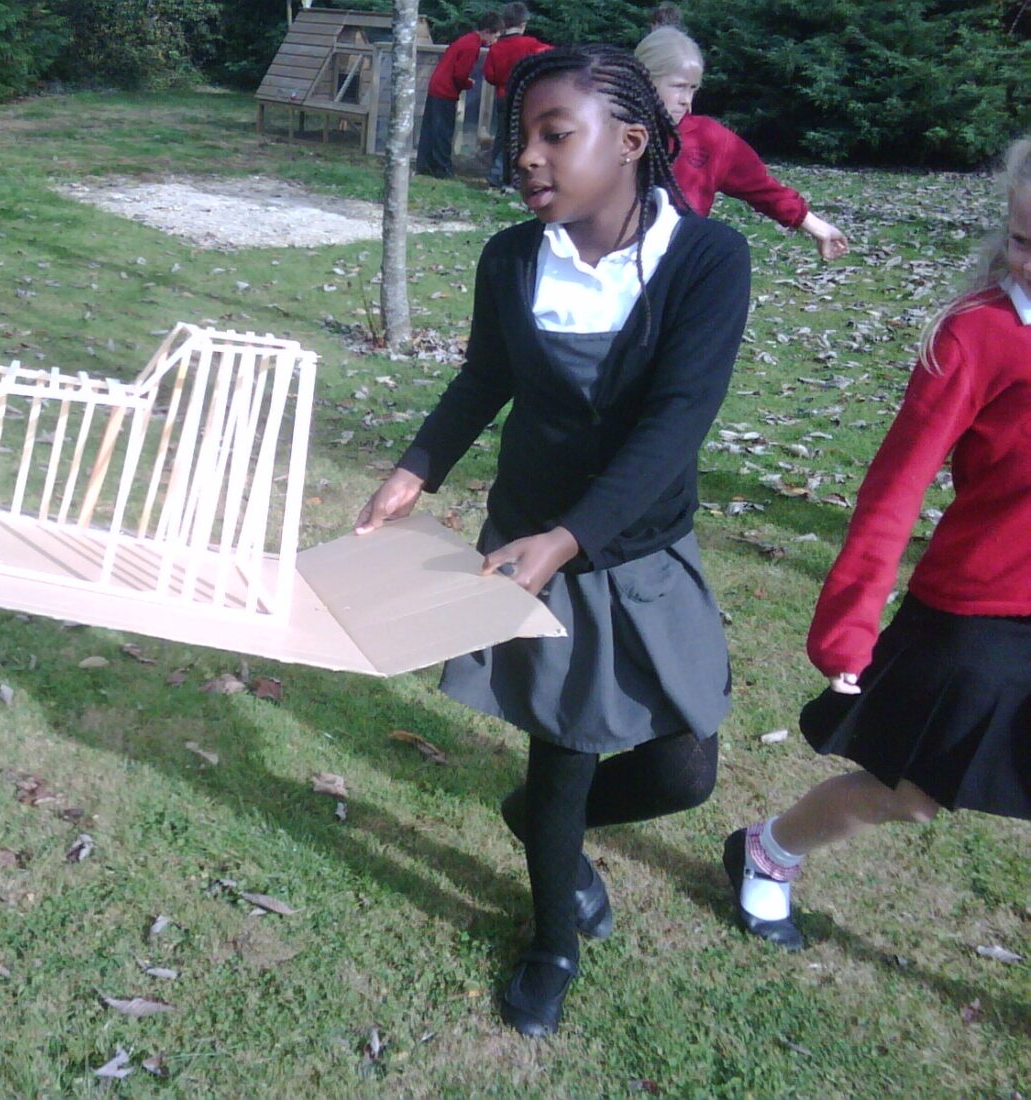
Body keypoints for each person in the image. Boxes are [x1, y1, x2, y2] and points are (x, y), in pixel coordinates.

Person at [355, 45, 750, 1037]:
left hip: (641, 545)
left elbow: (674, 427)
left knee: (682, 768)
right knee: (566, 747)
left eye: (553, 136)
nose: (524, 157)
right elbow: (485, 377)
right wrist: (419, 466)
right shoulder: (510, 259)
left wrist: (577, 534)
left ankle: (537, 821)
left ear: (629, 141)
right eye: (517, 136)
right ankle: (551, 940)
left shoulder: (706, 261)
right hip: (536, 547)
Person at [722, 136, 1031, 951]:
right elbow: (893, 492)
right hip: (980, 610)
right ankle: (769, 847)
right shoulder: (974, 336)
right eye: (1025, 240)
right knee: (914, 792)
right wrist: (848, 624)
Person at [634, 27, 849, 261]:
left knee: (731, 247)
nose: (686, 100)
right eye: (678, 86)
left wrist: (819, 228)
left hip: (676, 264)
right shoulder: (608, 129)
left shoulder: (710, 139)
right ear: (645, 79)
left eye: (693, 88)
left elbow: (763, 189)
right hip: (609, 263)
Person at [417, 12, 504, 179]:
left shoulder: (467, 38)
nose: (495, 40)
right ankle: (442, 169)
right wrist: (468, 83)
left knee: (430, 129)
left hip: (437, 85)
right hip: (445, 90)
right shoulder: (473, 46)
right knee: (444, 131)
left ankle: (424, 165)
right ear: (487, 31)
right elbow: (460, 74)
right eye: (495, 35)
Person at [482, 2, 550, 189]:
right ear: (523, 24)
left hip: (502, 96)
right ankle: (506, 177)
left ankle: (494, 173)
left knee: (501, 135)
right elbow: (548, 54)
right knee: (517, 138)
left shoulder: (495, 48)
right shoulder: (530, 44)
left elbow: (489, 75)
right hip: (522, 97)